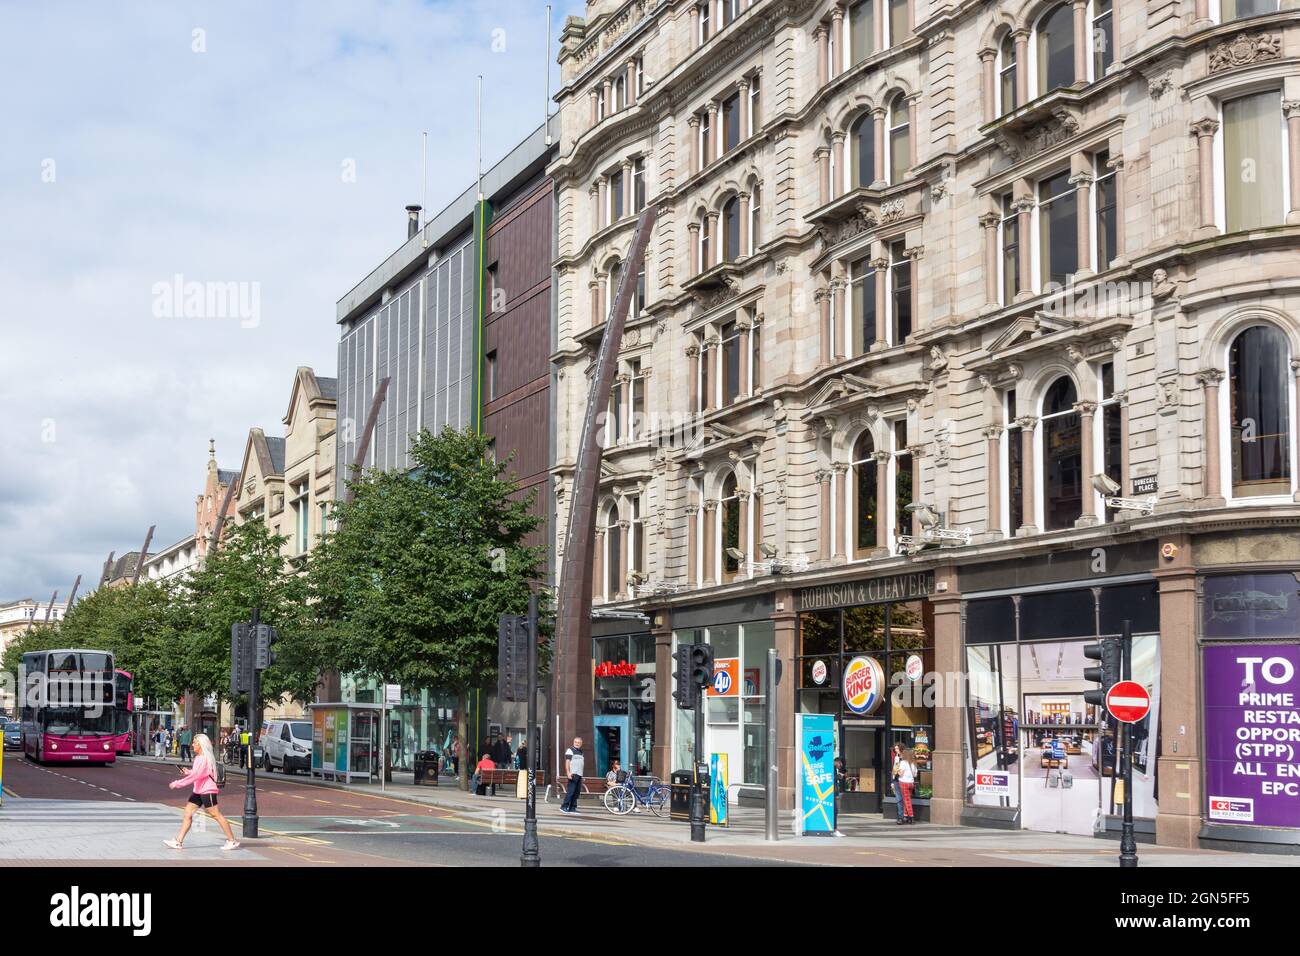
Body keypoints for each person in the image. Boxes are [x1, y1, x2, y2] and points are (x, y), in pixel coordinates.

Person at [164, 732, 240, 851]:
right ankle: (178, 841)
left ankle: (232, 840)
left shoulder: (204, 758)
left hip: (207, 791)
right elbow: (198, 774)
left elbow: (196, 776)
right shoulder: (200, 758)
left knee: (216, 815)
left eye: (195, 743)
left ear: (201, 745)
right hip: (199, 791)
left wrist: (177, 783)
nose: (192, 745)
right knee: (187, 814)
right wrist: (188, 772)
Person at [560, 736, 585, 815]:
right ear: (573, 742)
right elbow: (567, 762)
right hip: (573, 773)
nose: (577, 744)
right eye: (576, 742)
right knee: (571, 791)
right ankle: (564, 806)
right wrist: (568, 772)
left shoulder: (581, 751)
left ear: (581, 744)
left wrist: (582, 775)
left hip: (579, 774)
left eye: (579, 742)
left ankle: (572, 808)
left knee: (576, 792)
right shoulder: (570, 750)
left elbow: (581, 764)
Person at [894, 747, 917, 825]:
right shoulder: (913, 763)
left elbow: (901, 773)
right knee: (906, 799)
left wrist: (897, 770)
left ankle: (911, 816)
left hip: (904, 783)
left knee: (907, 801)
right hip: (911, 783)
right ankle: (905, 816)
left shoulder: (903, 762)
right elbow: (915, 774)